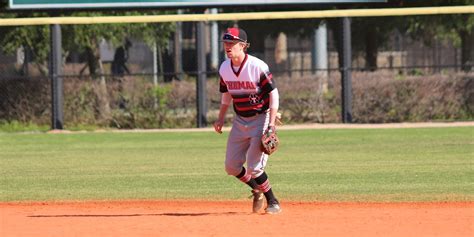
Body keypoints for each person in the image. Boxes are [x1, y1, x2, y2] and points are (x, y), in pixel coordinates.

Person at [213, 27, 281, 214]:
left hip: (261, 118)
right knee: (231, 166)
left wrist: (272, 124)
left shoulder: (258, 66)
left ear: (242, 46)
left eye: (232, 43)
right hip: (240, 120)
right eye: (226, 43)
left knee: (254, 166)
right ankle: (256, 187)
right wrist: (220, 118)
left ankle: (273, 201)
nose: (228, 47)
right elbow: (226, 95)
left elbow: (274, 94)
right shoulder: (224, 68)